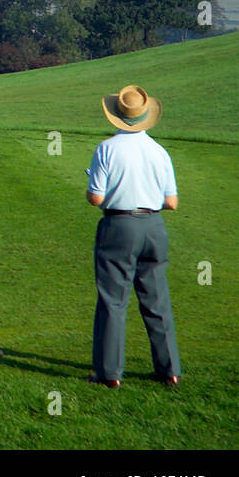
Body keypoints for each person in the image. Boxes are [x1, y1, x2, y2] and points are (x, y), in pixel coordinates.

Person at [85, 85, 181, 388]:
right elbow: (172, 202)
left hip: (119, 226)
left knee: (113, 301)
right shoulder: (159, 151)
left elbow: (96, 199)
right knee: (157, 300)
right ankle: (170, 371)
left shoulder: (106, 149)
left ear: (115, 116)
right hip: (154, 227)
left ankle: (109, 374)